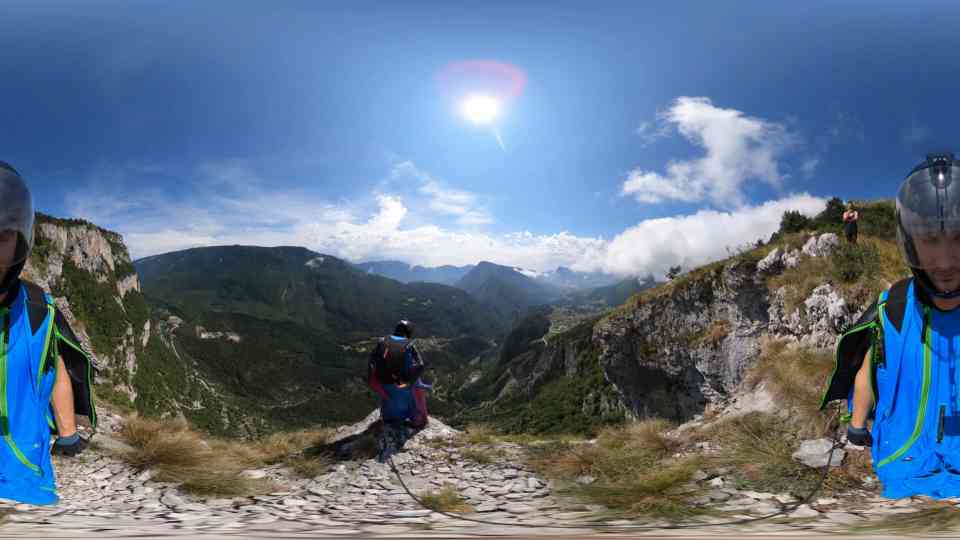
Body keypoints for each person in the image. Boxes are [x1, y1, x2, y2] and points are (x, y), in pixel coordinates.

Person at [822, 152, 960, 499]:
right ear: (911, 241)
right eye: (930, 240)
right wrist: (856, 430)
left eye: (959, 237)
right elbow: (868, 369)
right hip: (903, 455)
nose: (945, 260)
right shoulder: (893, 306)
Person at [0, 161, 95, 506]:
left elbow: (53, 370)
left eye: (2, 237)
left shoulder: (40, 308)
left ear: (20, 240)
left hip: (27, 478)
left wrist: (68, 435)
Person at [366, 319, 430, 463]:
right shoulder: (409, 345)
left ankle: (388, 418)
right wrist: (409, 382)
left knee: (390, 404)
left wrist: (374, 380)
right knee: (414, 397)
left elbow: (372, 362)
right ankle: (417, 421)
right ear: (409, 333)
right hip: (401, 385)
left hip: (383, 384)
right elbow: (420, 365)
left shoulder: (382, 341)